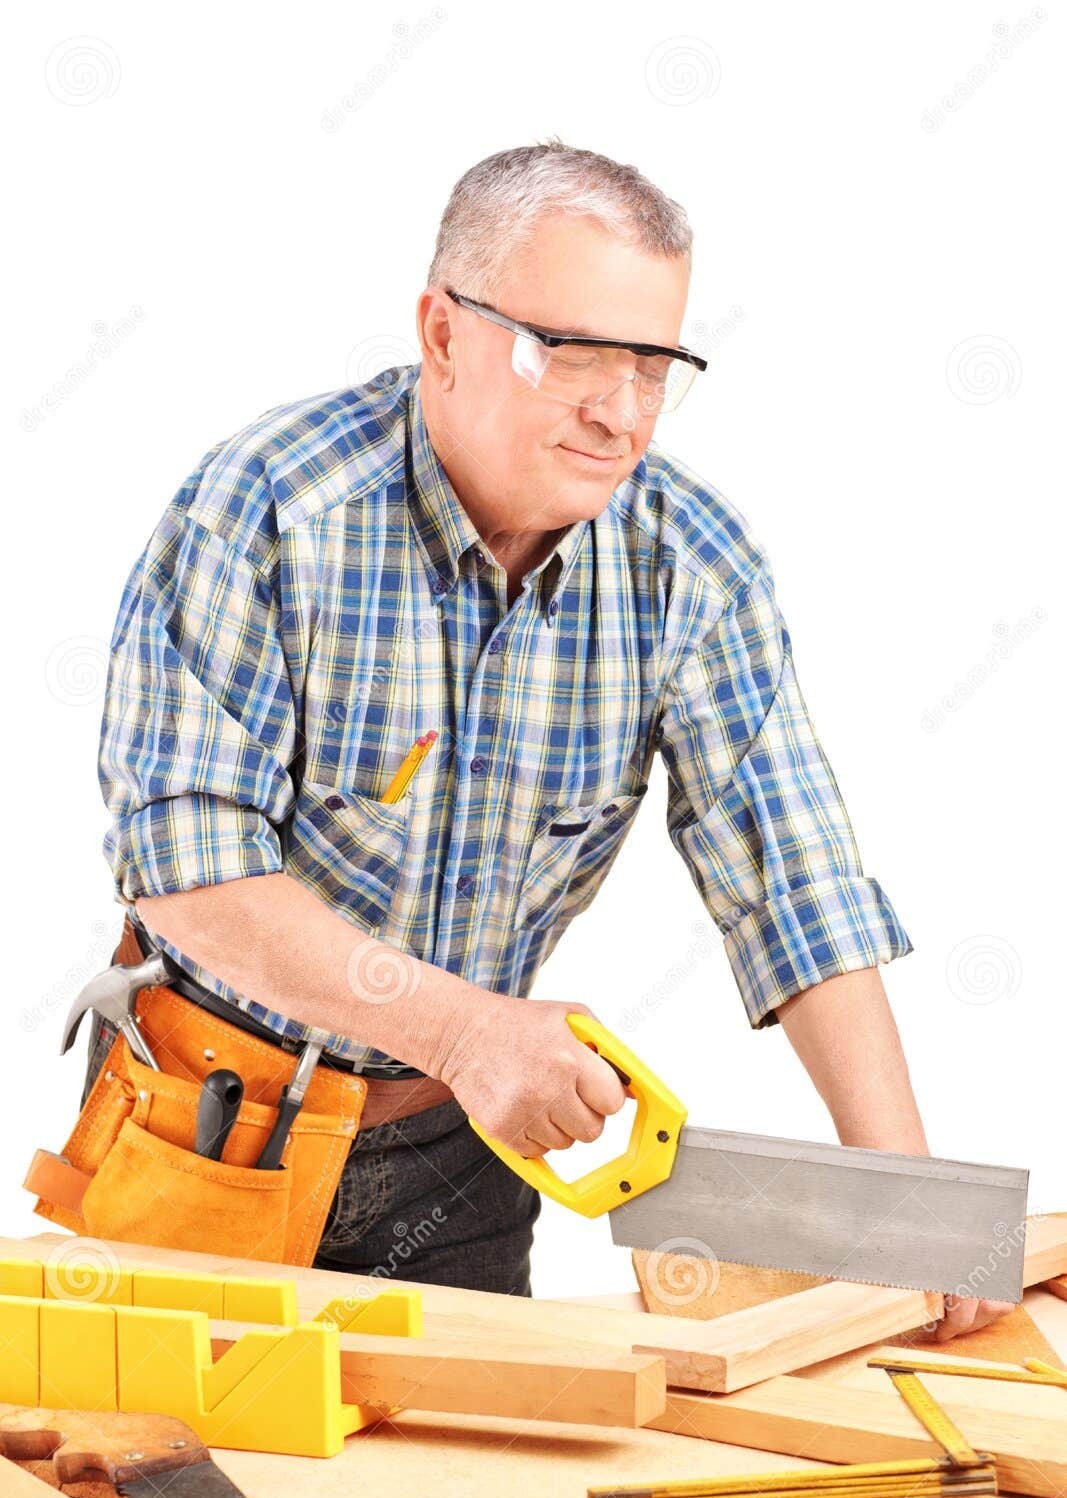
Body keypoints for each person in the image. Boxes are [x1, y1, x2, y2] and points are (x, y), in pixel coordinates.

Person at [89, 140, 1009, 1333]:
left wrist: (907, 1206)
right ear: (440, 333)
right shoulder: (264, 509)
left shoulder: (693, 564)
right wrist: (472, 1029)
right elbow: (186, 871)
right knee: (150, 1494)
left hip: (459, 1151)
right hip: (213, 1133)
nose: (618, 412)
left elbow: (796, 888)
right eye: (573, 354)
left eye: (652, 365)